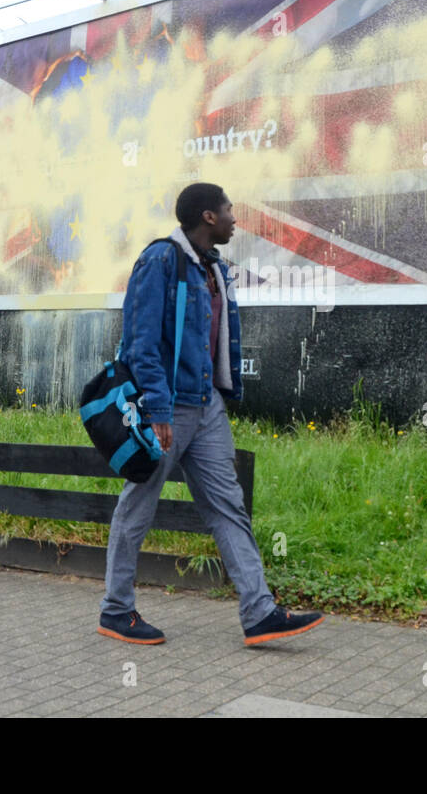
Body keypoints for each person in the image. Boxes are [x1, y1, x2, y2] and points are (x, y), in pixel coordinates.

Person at [97, 182, 324, 647]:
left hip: (206, 407)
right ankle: (116, 610)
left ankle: (259, 613)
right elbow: (141, 342)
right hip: (167, 408)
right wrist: (157, 407)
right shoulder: (160, 260)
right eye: (228, 210)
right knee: (137, 506)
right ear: (207, 216)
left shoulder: (213, 267)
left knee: (228, 507)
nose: (234, 217)